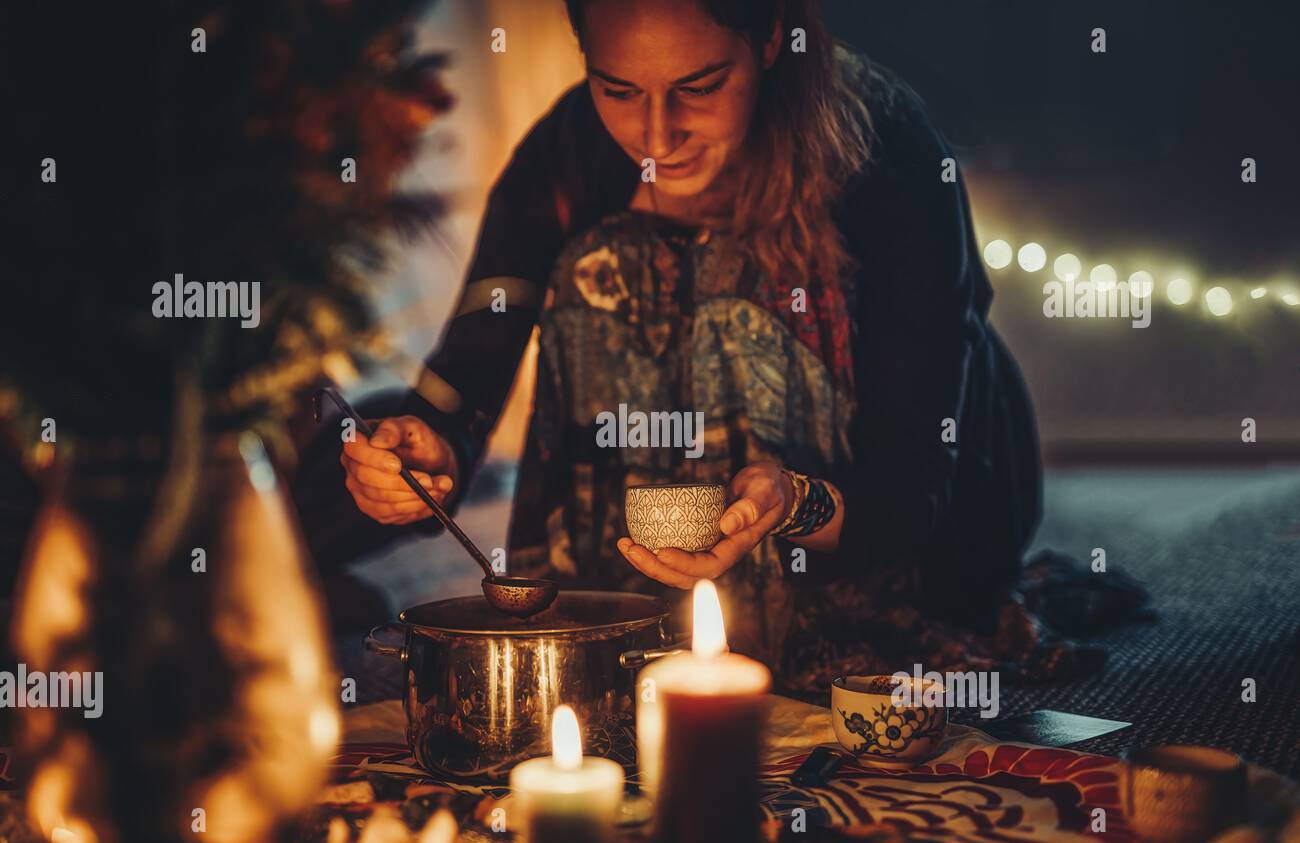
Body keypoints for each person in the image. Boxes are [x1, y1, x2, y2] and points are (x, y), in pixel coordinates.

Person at [320, 0, 1068, 692]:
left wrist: (791, 501)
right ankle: (642, 612)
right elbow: (466, 376)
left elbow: (915, 482)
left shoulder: (891, 156)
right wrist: (429, 454)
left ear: (771, 37)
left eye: (700, 86)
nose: (655, 137)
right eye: (617, 89)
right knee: (602, 256)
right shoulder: (566, 151)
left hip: (907, 516)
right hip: (653, 525)